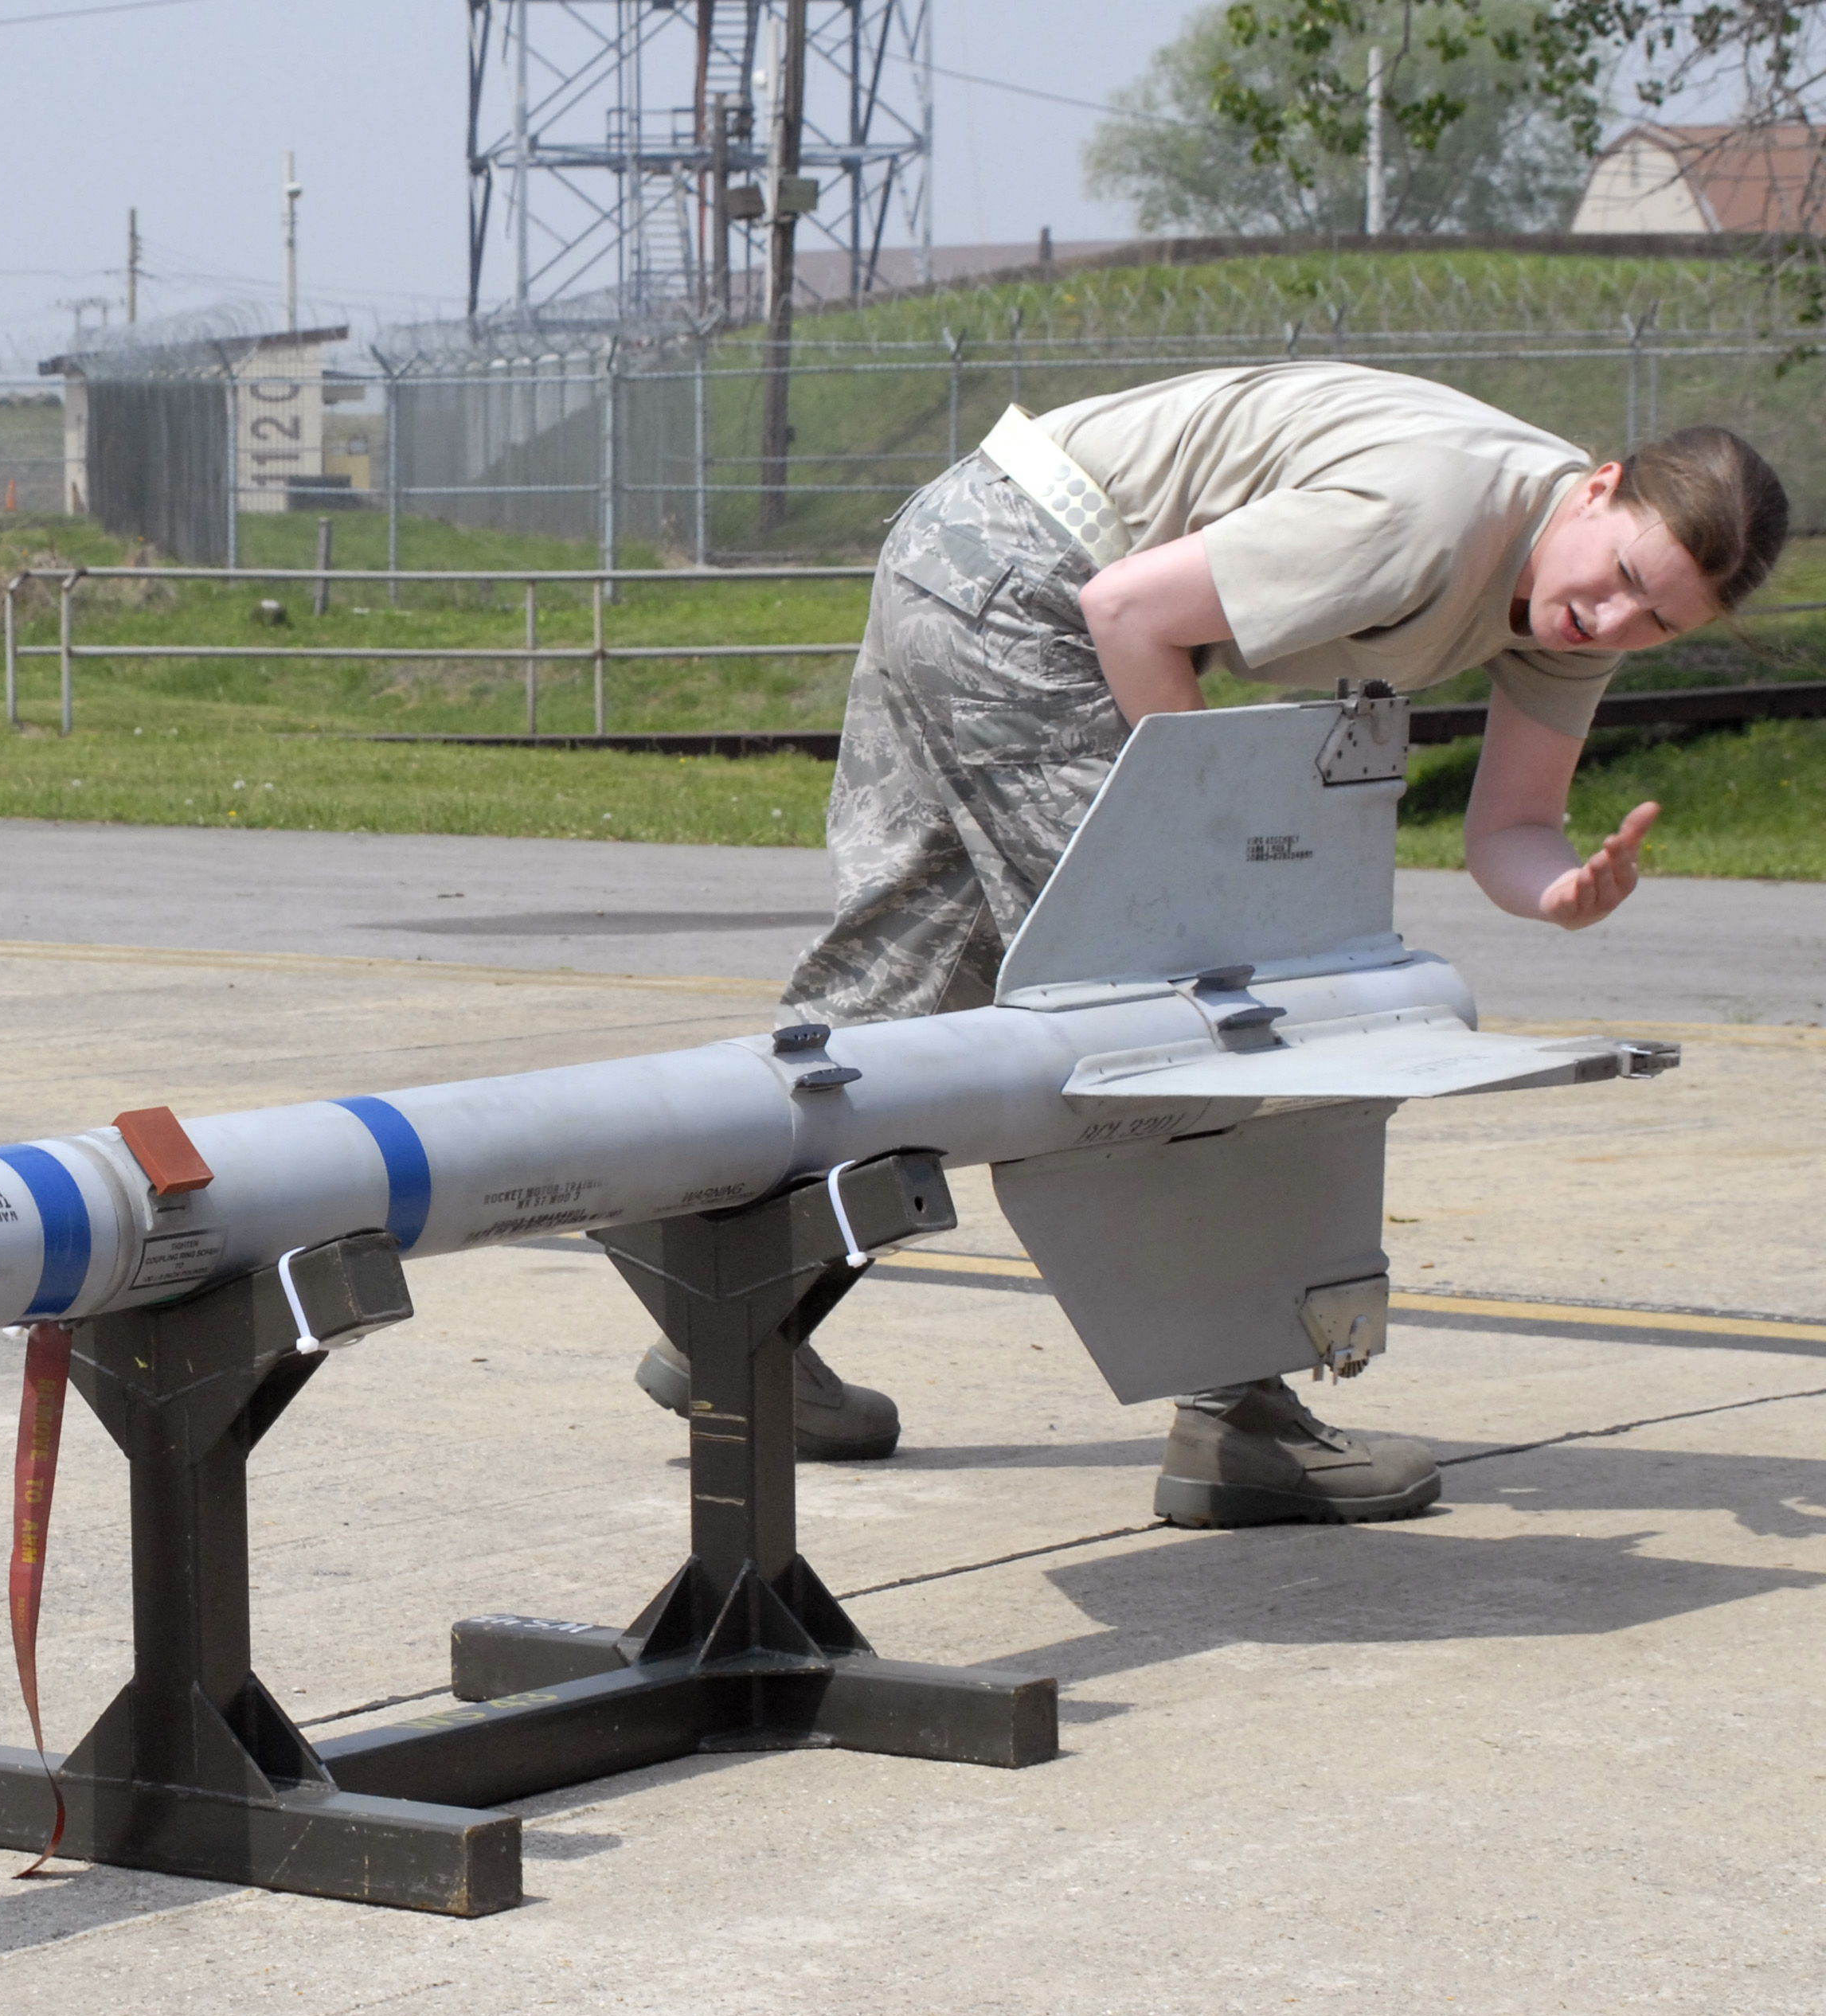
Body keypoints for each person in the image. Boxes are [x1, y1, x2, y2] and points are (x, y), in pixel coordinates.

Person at [634, 361, 1790, 1526]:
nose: (1616, 621)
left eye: (1663, 623)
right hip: (1027, 577)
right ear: (1597, 491)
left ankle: (729, 1327)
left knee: (917, 986)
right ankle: (1238, 1421)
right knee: (1179, 1009)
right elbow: (1129, 610)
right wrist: (1200, 859)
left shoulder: (1575, 608)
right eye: (1628, 579)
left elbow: (1515, 830)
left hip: (973, 552)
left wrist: (1564, 895)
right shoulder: (1431, 514)